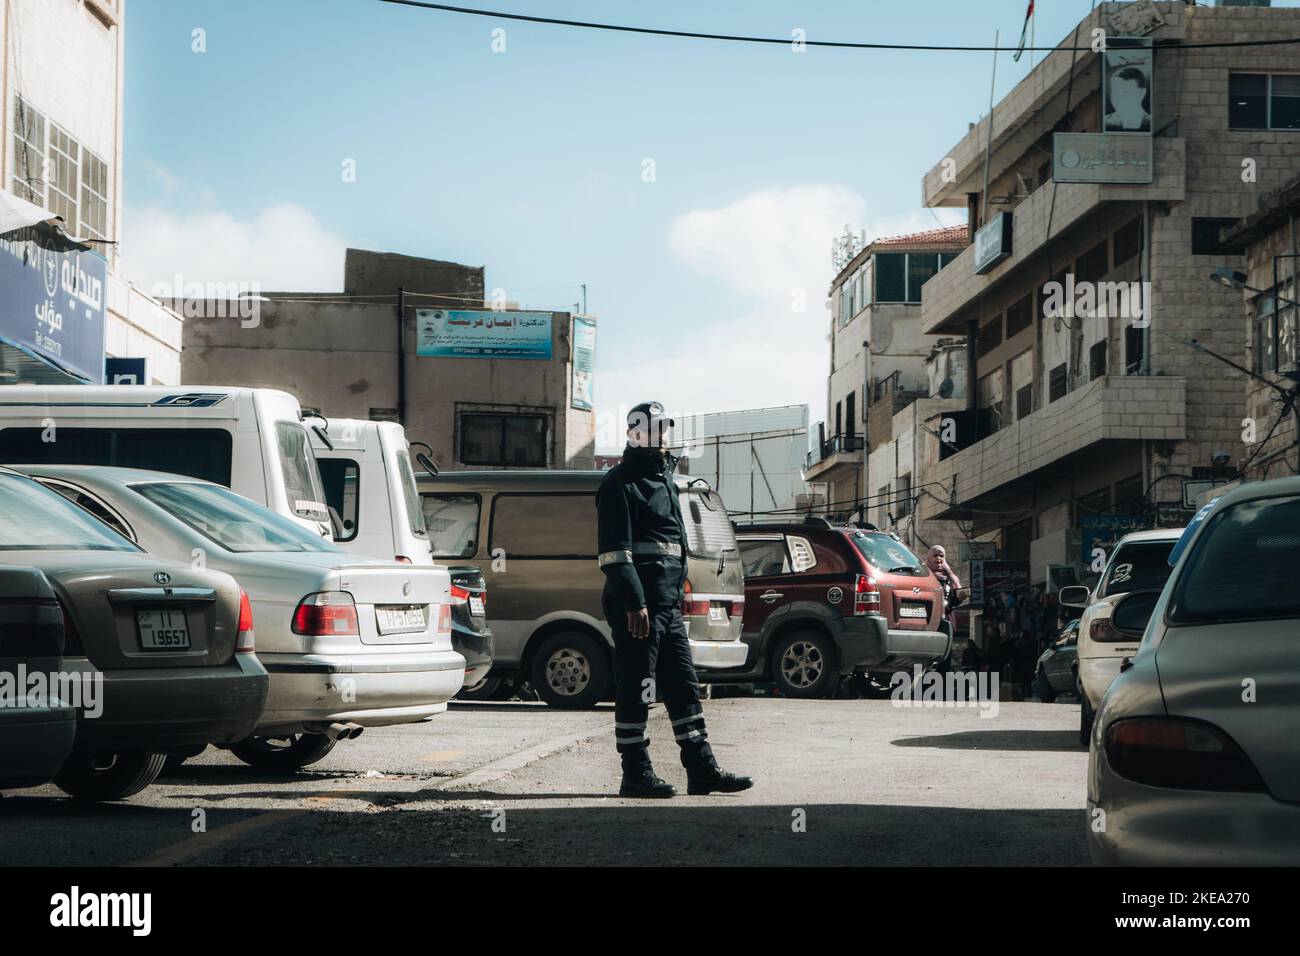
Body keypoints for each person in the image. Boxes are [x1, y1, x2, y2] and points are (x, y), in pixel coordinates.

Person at [596, 401, 754, 799]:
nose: (663, 436)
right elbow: (615, 554)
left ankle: (701, 770)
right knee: (637, 687)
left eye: (664, 429)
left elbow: (674, 549)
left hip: (666, 607)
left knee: (683, 685)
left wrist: (674, 597)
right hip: (639, 610)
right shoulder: (619, 483)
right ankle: (635, 774)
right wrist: (635, 603)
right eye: (654, 429)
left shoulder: (665, 479)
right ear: (635, 434)